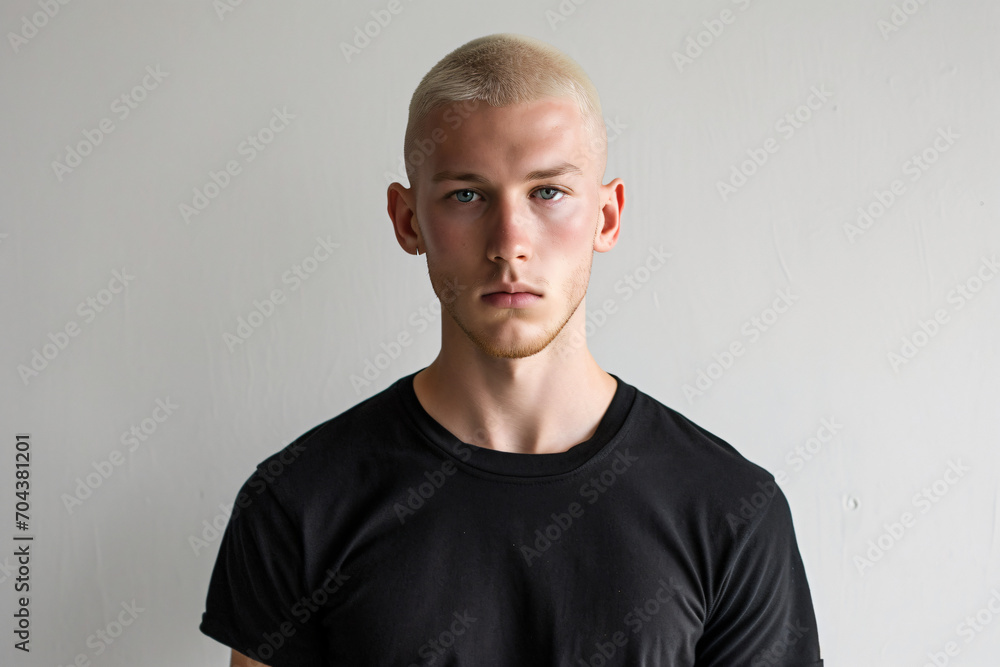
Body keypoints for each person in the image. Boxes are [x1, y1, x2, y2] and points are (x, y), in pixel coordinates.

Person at [199, 32, 824, 666]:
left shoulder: (729, 510)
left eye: (547, 192)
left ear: (606, 218)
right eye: (466, 195)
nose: (509, 242)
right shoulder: (299, 503)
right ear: (407, 219)